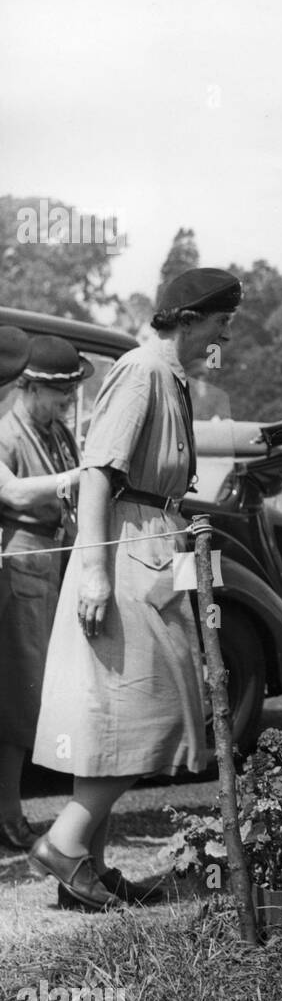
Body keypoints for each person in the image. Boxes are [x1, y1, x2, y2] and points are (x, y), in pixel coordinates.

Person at [28, 268, 242, 910]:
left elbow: (153, 478)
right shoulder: (143, 370)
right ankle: (64, 846)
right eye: (220, 321)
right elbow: (98, 474)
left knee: (112, 717)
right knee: (148, 712)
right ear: (188, 317)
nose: (224, 334)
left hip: (149, 543)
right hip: (122, 556)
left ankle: (84, 871)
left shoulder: (170, 376)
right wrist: (93, 567)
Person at [0, 336, 87, 852]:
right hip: (24, 571)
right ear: (29, 387)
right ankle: (10, 811)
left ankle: (21, 809)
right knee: (20, 695)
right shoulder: (6, 433)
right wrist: (75, 480)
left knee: (47, 692)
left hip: (58, 567)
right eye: (60, 394)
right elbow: (9, 492)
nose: (68, 404)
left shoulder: (57, 433)